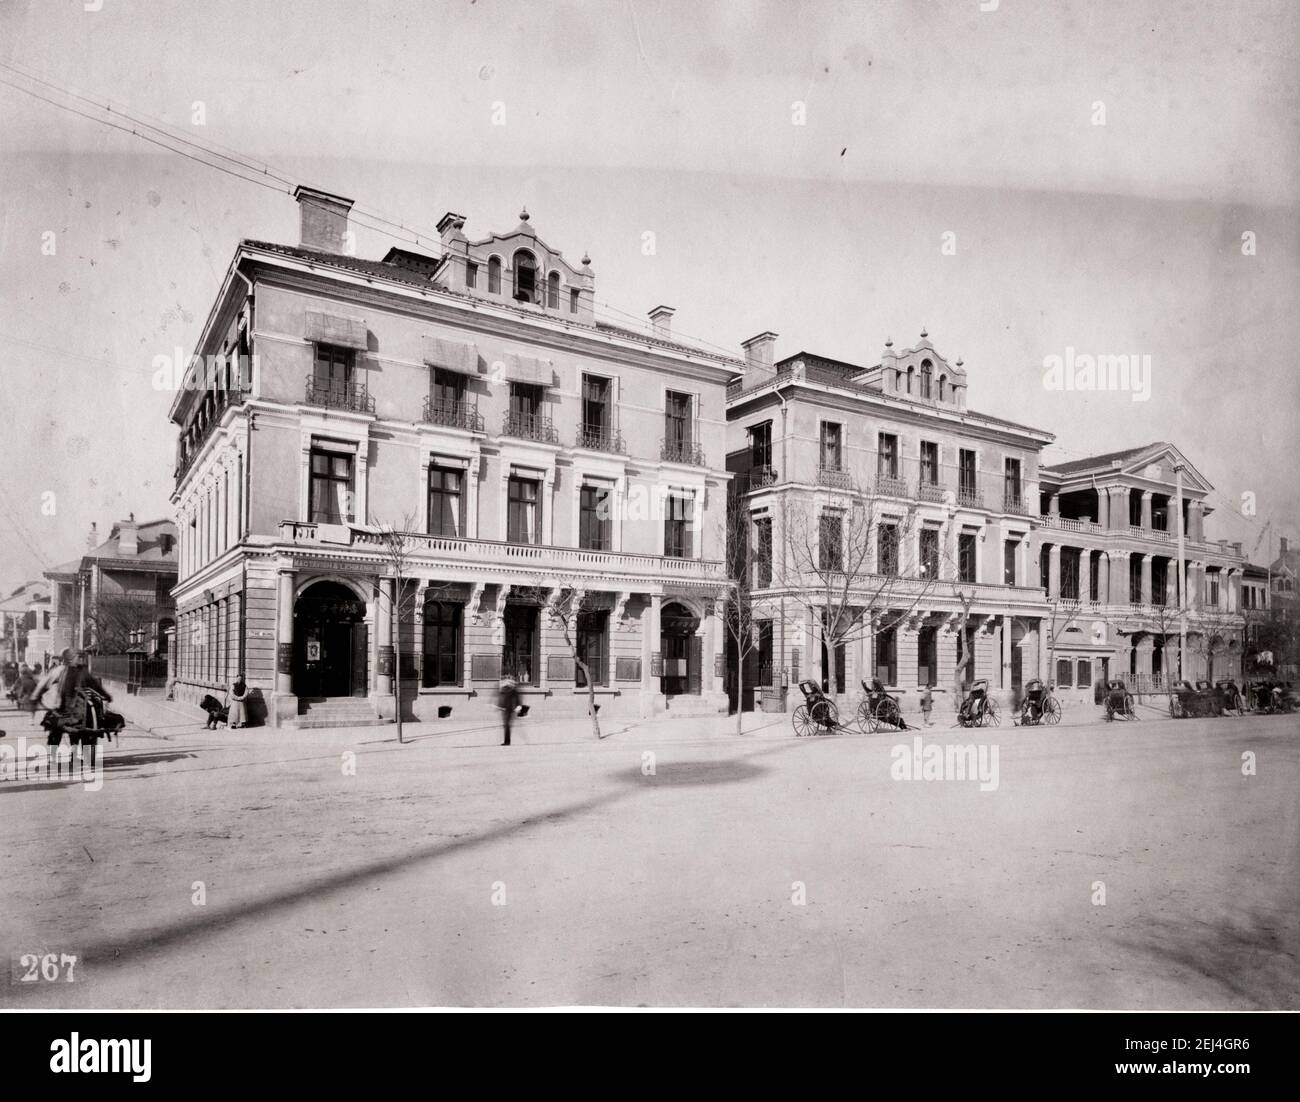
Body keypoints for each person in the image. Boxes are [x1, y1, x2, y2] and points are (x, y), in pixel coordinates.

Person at [497, 676, 520, 746]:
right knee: (506, 725)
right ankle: (507, 741)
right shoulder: (505, 689)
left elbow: (516, 699)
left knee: (506, 725)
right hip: (505, 709)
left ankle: (507, 741)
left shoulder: (511, 690)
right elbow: (502, 698)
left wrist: (517, 706)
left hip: (509, 709)